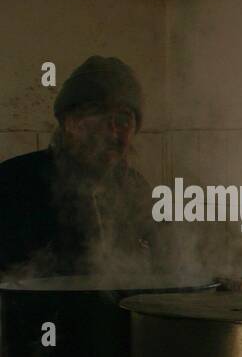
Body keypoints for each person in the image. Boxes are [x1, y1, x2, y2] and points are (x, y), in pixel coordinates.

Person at [0, 56, 156, 276]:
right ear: (69, 122)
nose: (112, 132)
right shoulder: (13, 182)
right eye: (99, 116)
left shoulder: (135, 187)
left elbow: (167, 257)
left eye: (123, 119)